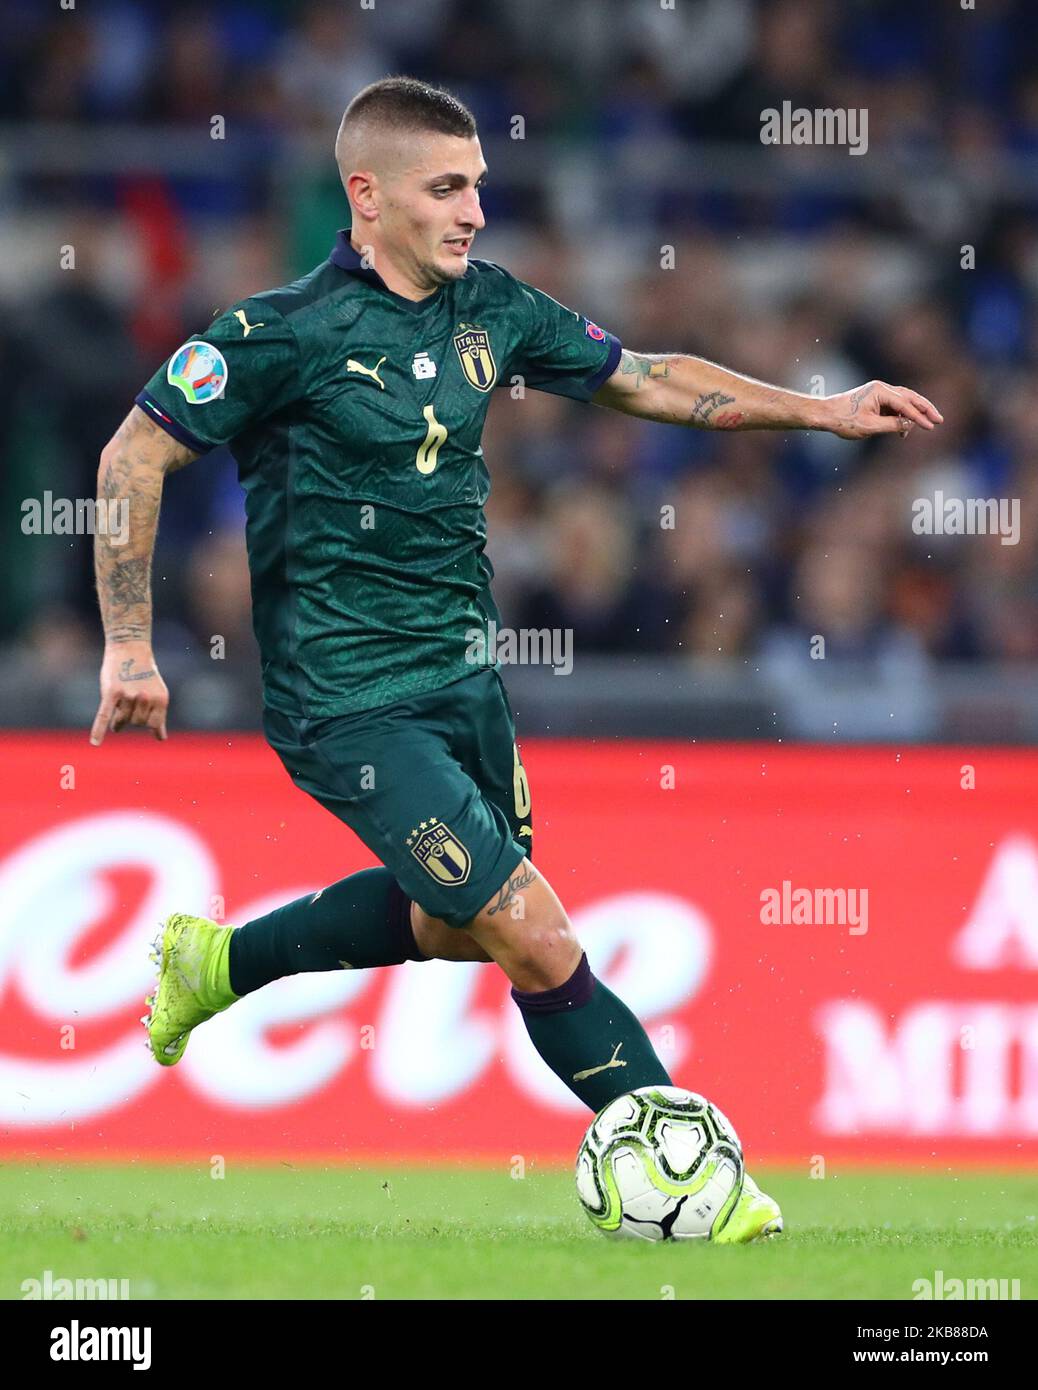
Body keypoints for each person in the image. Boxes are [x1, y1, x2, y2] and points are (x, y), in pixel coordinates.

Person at [91, 76, 942, 1244]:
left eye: (479, 186)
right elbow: (131, 458)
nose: (476, 211)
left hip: (464, 683)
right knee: (533, 929)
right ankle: (695, 1175)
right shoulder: (278, 335)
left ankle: (218, 964)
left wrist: (824, 408)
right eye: (447, 188)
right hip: (347, 703)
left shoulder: (491, 310)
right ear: (367, 197)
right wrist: (131, 645)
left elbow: (647, 375)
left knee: (453, 927)